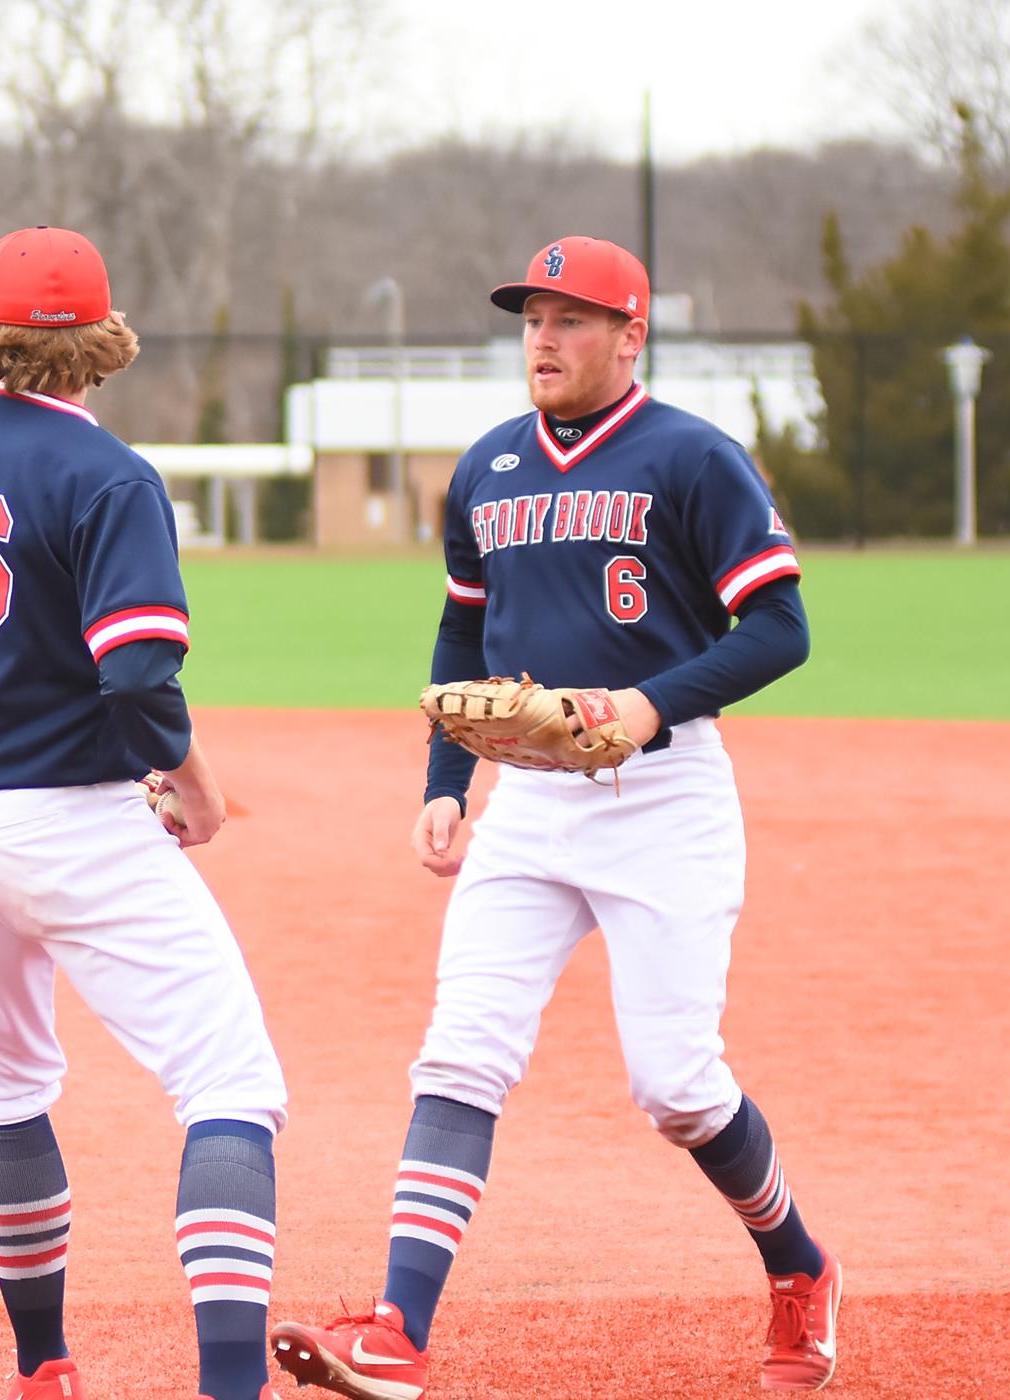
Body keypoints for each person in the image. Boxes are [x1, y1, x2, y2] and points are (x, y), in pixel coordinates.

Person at [267, 237, 840, 1395]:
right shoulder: (483, 469)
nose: (544, 337)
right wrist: (443, 783)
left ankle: (799, 1265)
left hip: (664, 798)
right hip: (527, 801)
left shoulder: (692, 458)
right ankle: (396, 1329)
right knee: (460, 1051)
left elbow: (779, 630)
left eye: (572, 318)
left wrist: (649, 702)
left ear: (631, 335)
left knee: (675, 1085)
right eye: (533, 316)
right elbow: (460, 643)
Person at [0, 226, 287, 1400]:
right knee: (229, 1083)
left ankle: (44, 1367)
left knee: (4, 1085)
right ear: (102, 342)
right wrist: (189, 779)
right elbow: (137, 676)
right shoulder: (109, 476)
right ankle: (229, 1386)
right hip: (74, 820)